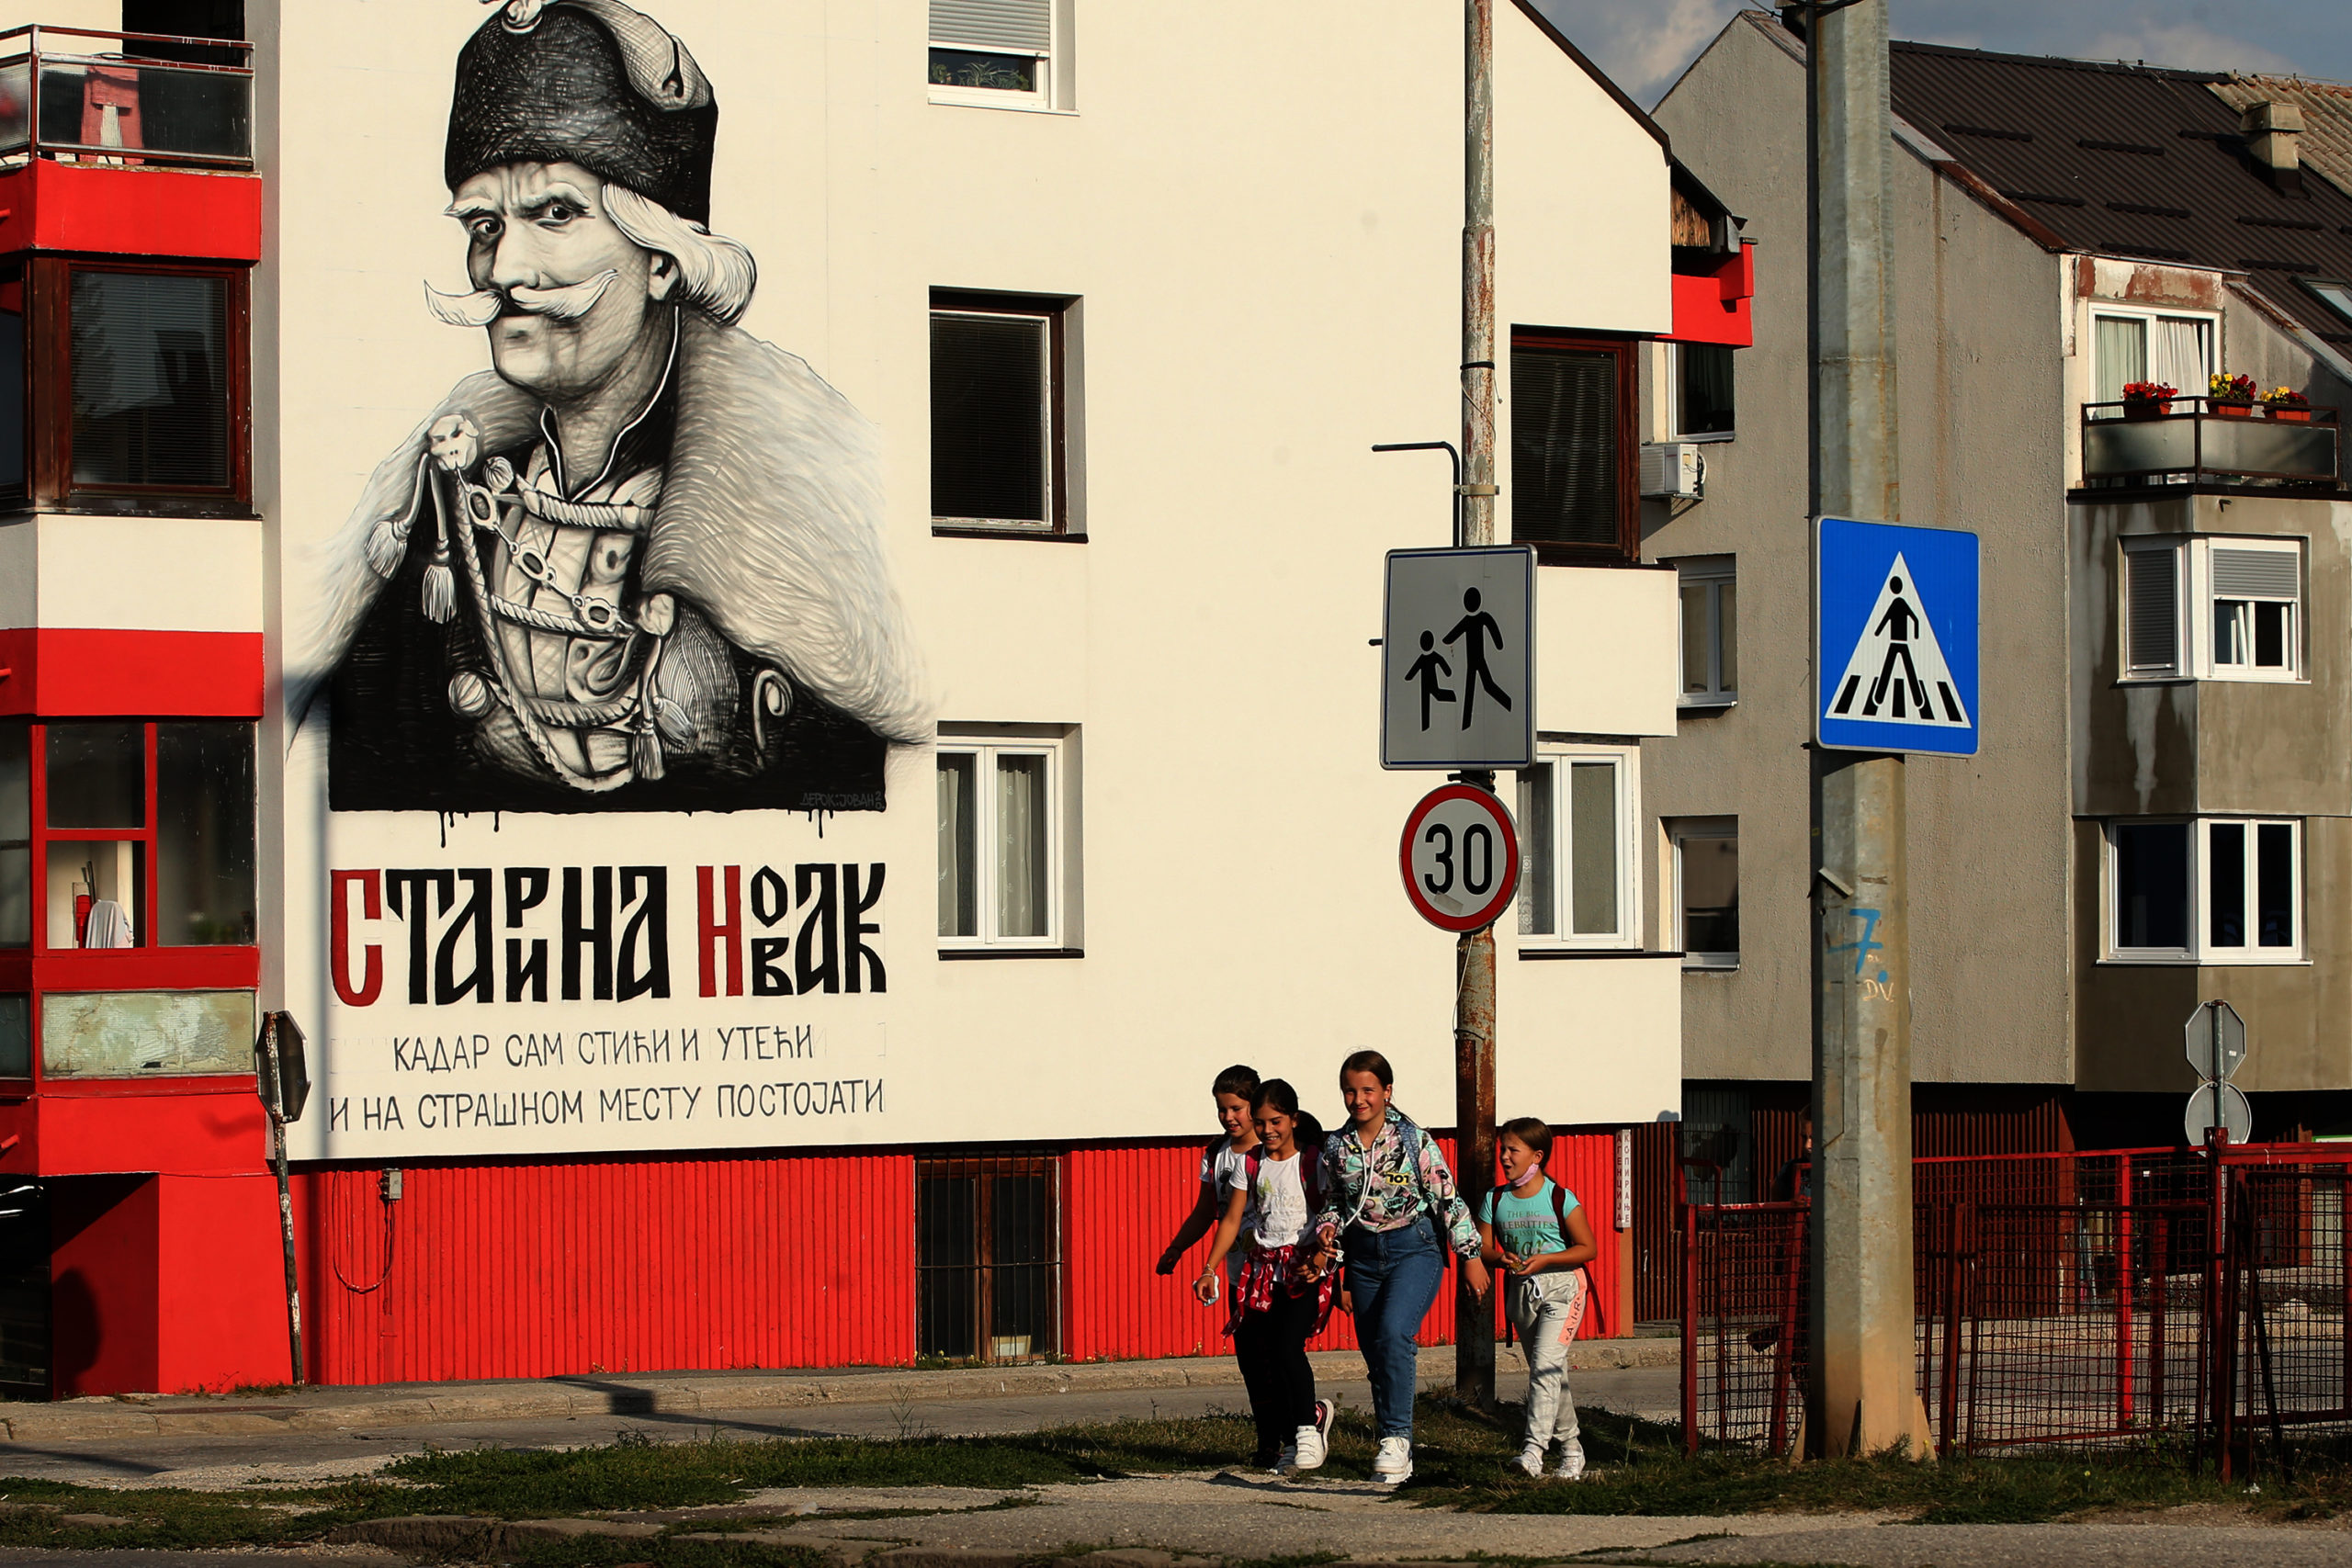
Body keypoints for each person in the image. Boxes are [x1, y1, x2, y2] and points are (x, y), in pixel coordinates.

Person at [293, 0, 927, 813]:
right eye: (484, 225)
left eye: (555, 214)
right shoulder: (442, 496)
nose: (503, 269)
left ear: (663, 260)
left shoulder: (795, 520)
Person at [1306, 1049, 1490, 1486]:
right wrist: (1328, 1230)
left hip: (1414, 1248)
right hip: (1363, 1257)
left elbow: (1447, 1197)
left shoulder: (1412, 1139)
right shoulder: (1336, 1146)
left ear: (1387, 1091)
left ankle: (1397, 1440)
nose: (1358, 1099)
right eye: (1350, 1091)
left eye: (1368, 1090)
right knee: (1376, 1351)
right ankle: (1390, 1440)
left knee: (1394, 1334)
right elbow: (1334, 1201)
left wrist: (1470, 1255)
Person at [1197, 1080, 1339, 1474]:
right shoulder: (1250, 1163)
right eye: (1260, 1123)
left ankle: (1308, 1431)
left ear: (1294, 1119)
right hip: (1262, 1273)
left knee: (1288, 1347)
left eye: (1275, 1121)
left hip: (1304, 1270)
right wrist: (1209, 1268)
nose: (1267, 1130)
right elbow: (1230, 1219)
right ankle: (1294, 1439)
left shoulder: (1315, 1162)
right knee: (1271, 1357)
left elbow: (1336, 1213)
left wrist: (1323, 1259)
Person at [1477, 1117, 1598, 1481]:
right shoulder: (1495, 1199)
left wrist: (1546, 1259)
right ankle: (1572, 1449)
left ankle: (1533, 1452)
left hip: (1564, 1289)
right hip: (1522, 1294)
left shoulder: (1560, 1197)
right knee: (1549, 1373)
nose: (1505, 1157)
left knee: (1545, 1368)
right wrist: (1500, 1258)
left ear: (1537, 1156)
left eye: (1513, 1150)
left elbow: (1588, 1248)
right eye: (1503, 1149)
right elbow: (1482, 1248)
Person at [1157, 1064, 1262, 1285]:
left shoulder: (1273, 1151)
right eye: (1222, 1109)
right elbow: (1204, 1212)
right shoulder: (1215, 1155)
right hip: (1239, 1276)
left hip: (1278, 1275)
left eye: (1236, 1108)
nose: (1228, 1117)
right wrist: (1177, 1248)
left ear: (1256, 1105)